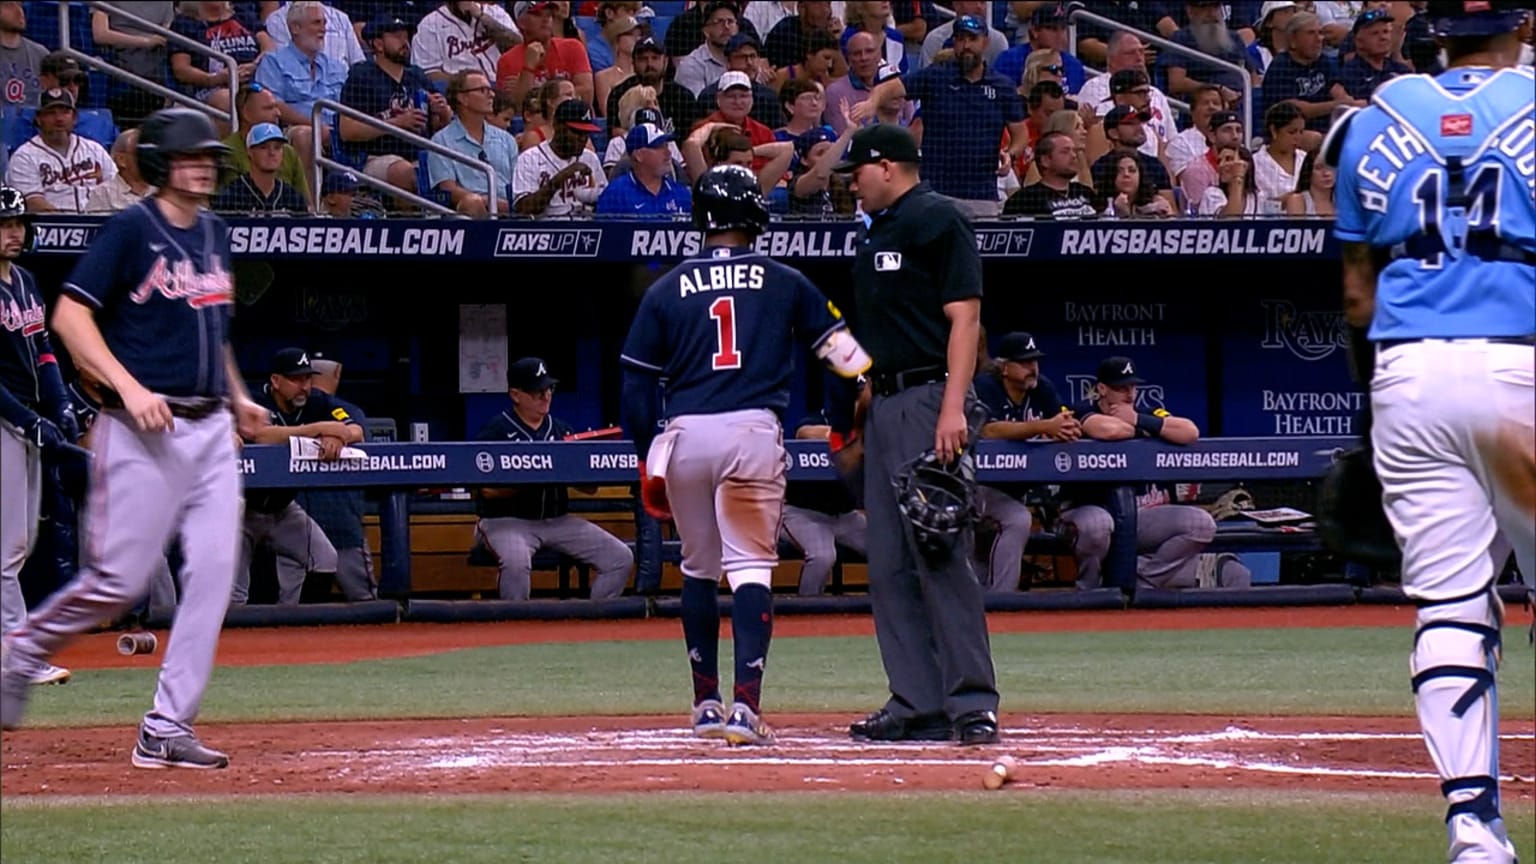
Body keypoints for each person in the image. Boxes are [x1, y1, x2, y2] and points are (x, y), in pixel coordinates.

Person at [1325, 2, 1534, 861]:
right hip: (1520, 359)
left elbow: (1355, 294)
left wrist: (1377, 404)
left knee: (1450, 604)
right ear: (1520, 28)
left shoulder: (1372, 121)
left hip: (1410, 369)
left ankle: (1473, 827)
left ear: (1434, 34)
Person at [0, 109, 270, 772]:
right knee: (118, 582)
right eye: (188, 157)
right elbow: (69, 317)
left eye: (207, 156)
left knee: (211, 574)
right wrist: (127, 386)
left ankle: (166, 725)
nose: (203, 166)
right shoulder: (129, 229)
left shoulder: (213, 232)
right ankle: (21, 650)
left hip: (209, 431)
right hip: (141, 431)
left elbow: (214, 330)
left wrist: (235, 394)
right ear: (156, 164)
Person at [618, 164, 871, 747]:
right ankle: (745, 709)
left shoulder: (664, 286)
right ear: (755, 217)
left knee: (699, 569)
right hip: (751, 432)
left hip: (684, 435)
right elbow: (847, 359)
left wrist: (642, 455)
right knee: (751, 569)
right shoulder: (786, 280)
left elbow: (634, 390)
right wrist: (840, 426)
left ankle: (705, 703)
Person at [831, 124, 998, 746]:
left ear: (888, 166)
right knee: (890, 564)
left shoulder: (937, 219)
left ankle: (973, 702)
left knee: (940, 552)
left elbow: (966, 318)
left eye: (859, 171)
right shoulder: (872, 230)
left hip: (931, 397)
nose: (853, 181)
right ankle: (917, 701)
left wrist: (953, 406)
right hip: (885, 401)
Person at [0, 185, 75, 687]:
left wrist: (61, 403)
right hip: (5, 419)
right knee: (8, 546)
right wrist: (29, 421)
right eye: (5, 226)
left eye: (18, 224)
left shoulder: (25, 281)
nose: (13, 233)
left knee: (20, 543)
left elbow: (44, 349)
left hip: (26, 418)